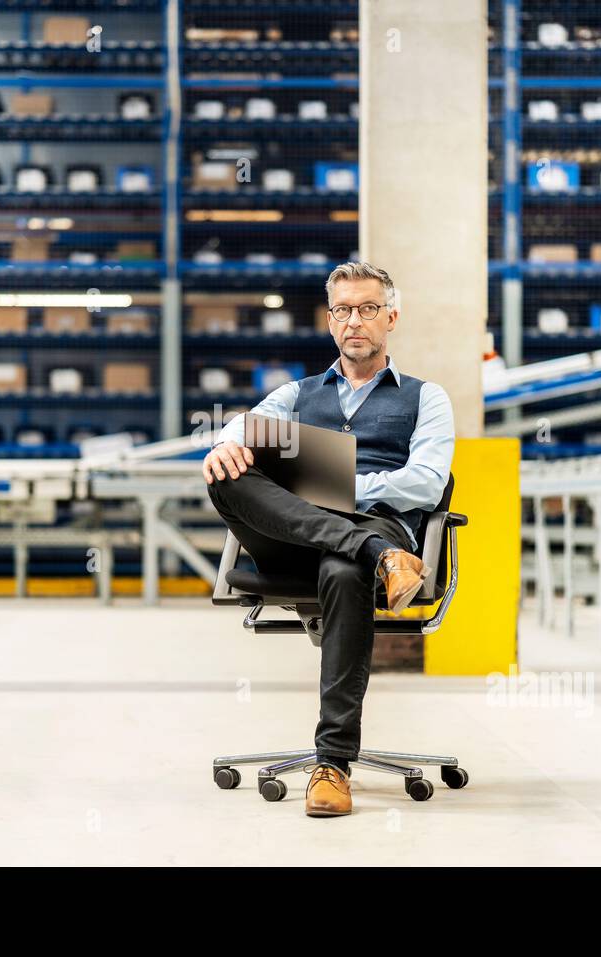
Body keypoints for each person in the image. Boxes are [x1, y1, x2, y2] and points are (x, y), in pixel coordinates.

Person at [203, 261, 455, 817]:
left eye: (367, 309)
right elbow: (245, 426)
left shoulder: (425, 397)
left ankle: (332, 764)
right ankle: (375, 557)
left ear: (391, 317)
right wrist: (225, 441)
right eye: (342, 310)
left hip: (379, 524)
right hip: (305, 537)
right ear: (330, 319)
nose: (354, 321)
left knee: (343, 568)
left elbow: (427, 481)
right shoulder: (297, 395)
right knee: (227, 474)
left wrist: (341, 490)